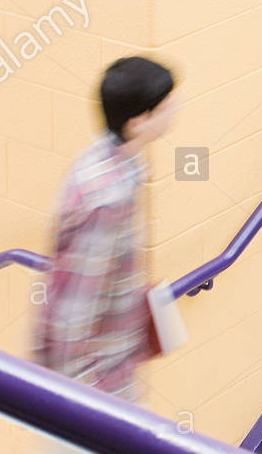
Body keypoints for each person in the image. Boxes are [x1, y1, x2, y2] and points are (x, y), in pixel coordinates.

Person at [33, 57, 177, 401]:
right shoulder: (107, 198)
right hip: (94, 394)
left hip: (116, 370)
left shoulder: (116, 162)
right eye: (166, 105)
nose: (176, 109)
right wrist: (82, 402)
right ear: (139, 121)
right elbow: (72, 311)